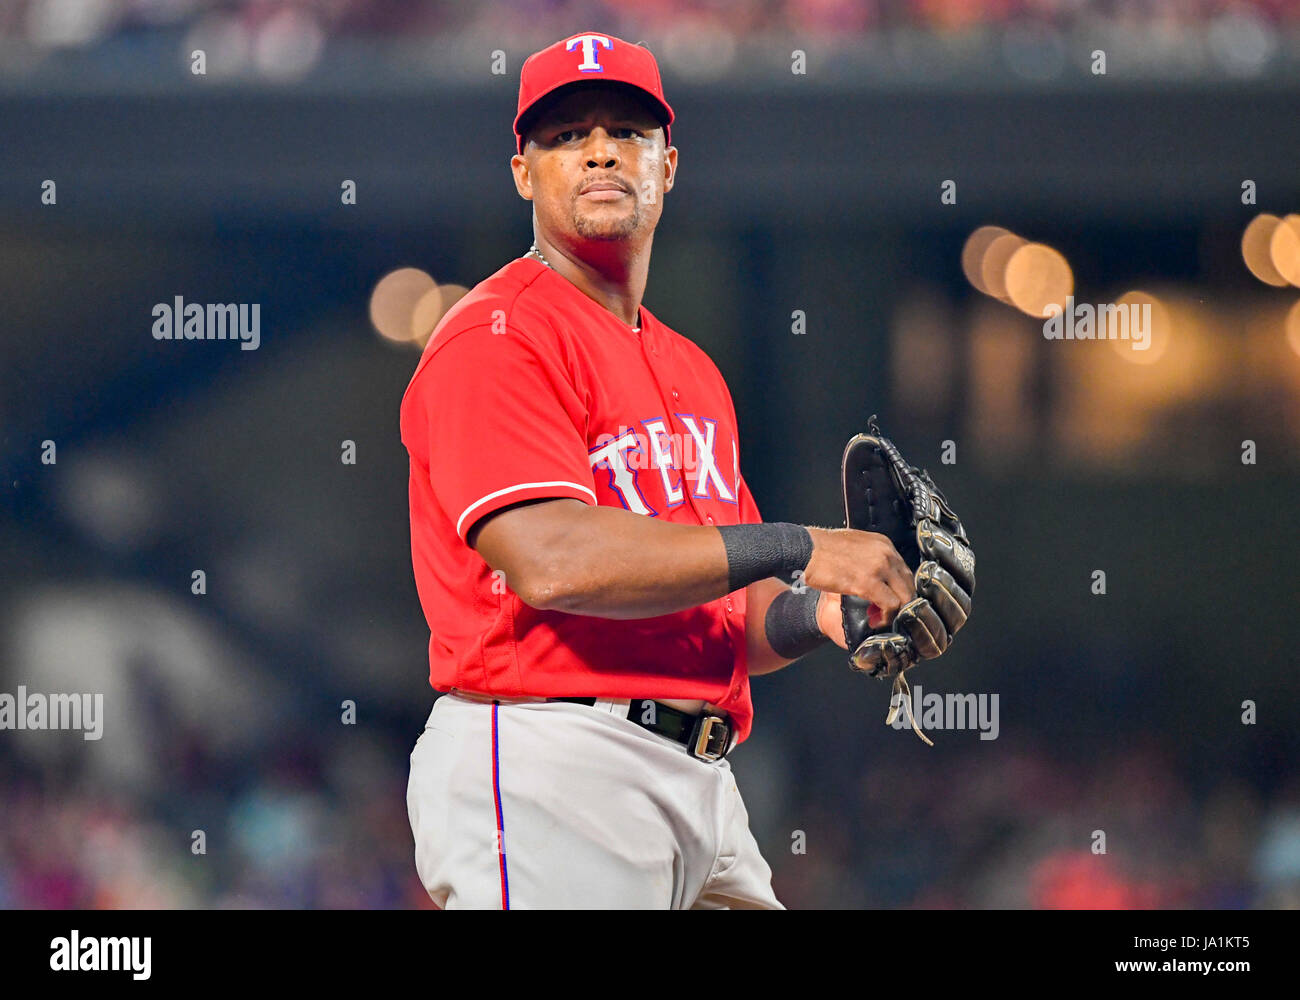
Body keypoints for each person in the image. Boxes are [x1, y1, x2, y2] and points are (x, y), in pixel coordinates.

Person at [399, 31, 916, 909]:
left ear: (667, 165)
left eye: (626, 132)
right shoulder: (498, 336)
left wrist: (827, 615)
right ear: (523, 173)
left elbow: (729, 615)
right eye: (566, 135)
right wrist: (801, 542)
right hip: (549, 765)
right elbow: (553, 560)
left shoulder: (692, 370)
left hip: (702, 783)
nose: (600, 149)